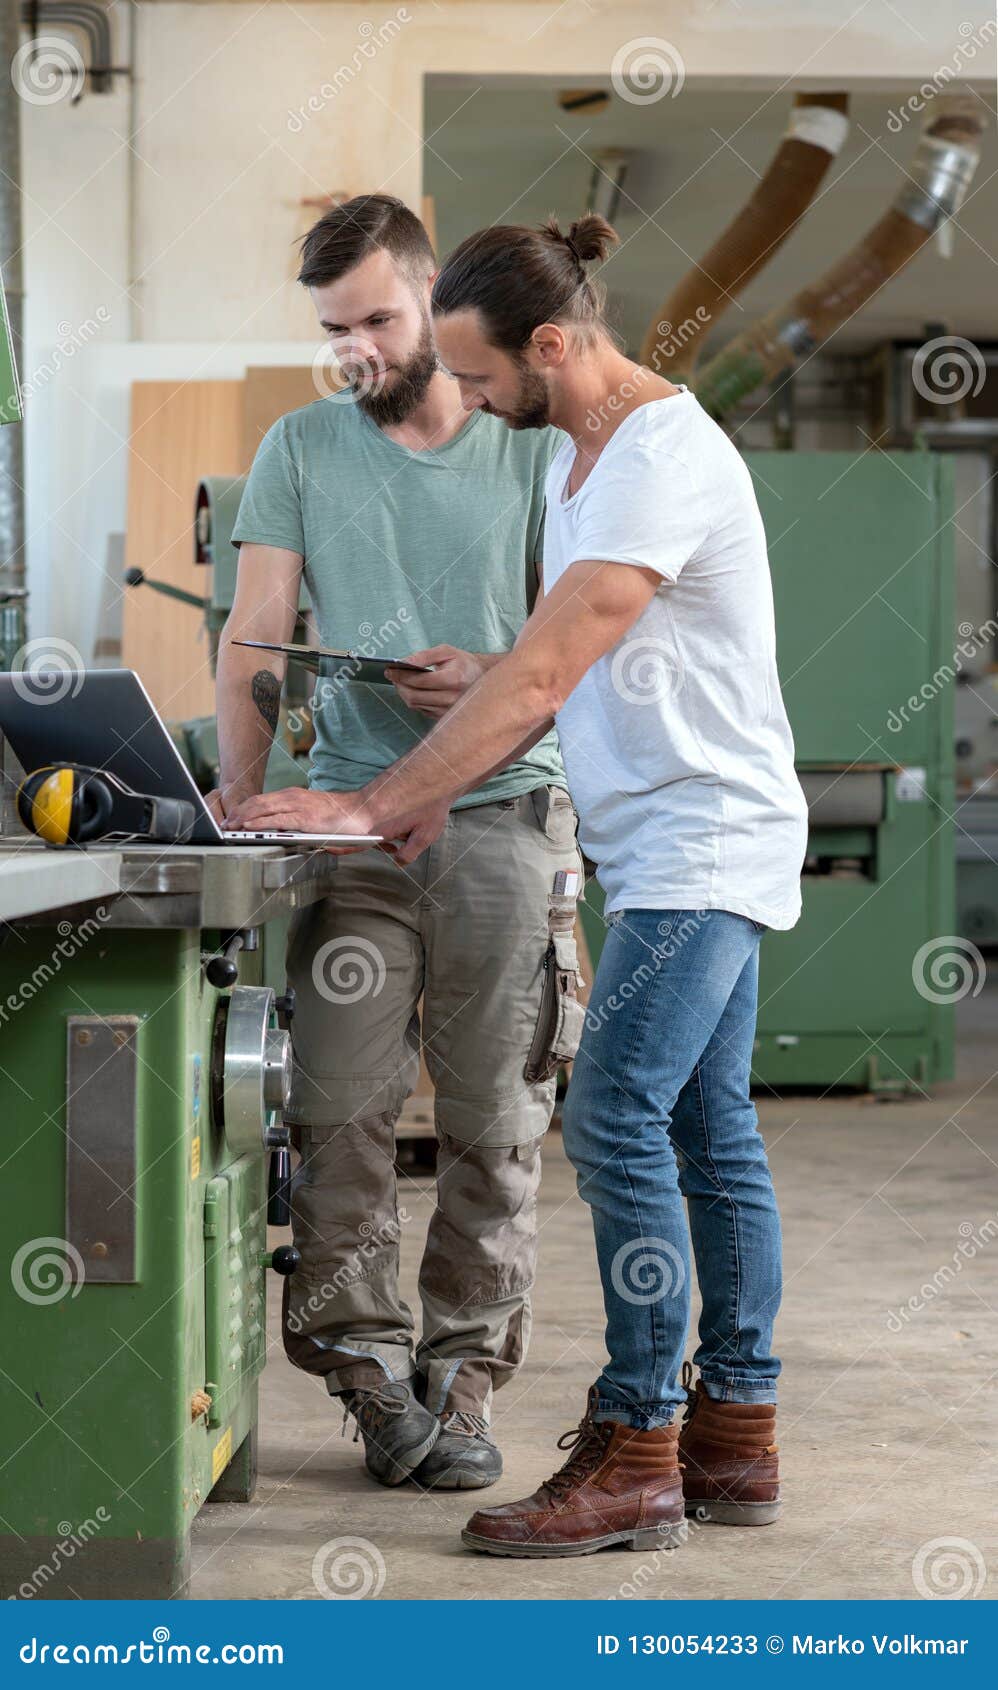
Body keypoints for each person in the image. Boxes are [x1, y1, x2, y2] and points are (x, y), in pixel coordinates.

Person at [228, 210, 809, 1558]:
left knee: (608, 1114)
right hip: (661, 836)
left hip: (696, 841)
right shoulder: (575, 458)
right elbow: (541, 664)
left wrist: (378, 801)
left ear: (550, 346)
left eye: (484, 376)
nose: (472, 399)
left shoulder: (656, 456)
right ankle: (737, 1436)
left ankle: (634, 1448)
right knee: (707, 1132)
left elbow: (544, 677)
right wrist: (463, 691)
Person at [213, 195, 583, 1494]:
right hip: (351, 829)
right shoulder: (302, 446)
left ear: (435, 300)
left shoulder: (535, 454)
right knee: (339, 1115)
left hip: (503, 815)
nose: (357, 348)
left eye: (377, 318)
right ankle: (371, 1377)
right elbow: (253, 632)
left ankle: (464, 1371)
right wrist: (237, 802)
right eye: (334, 328)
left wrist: (489, 673)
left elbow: (586, 643)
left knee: (494, 1120)